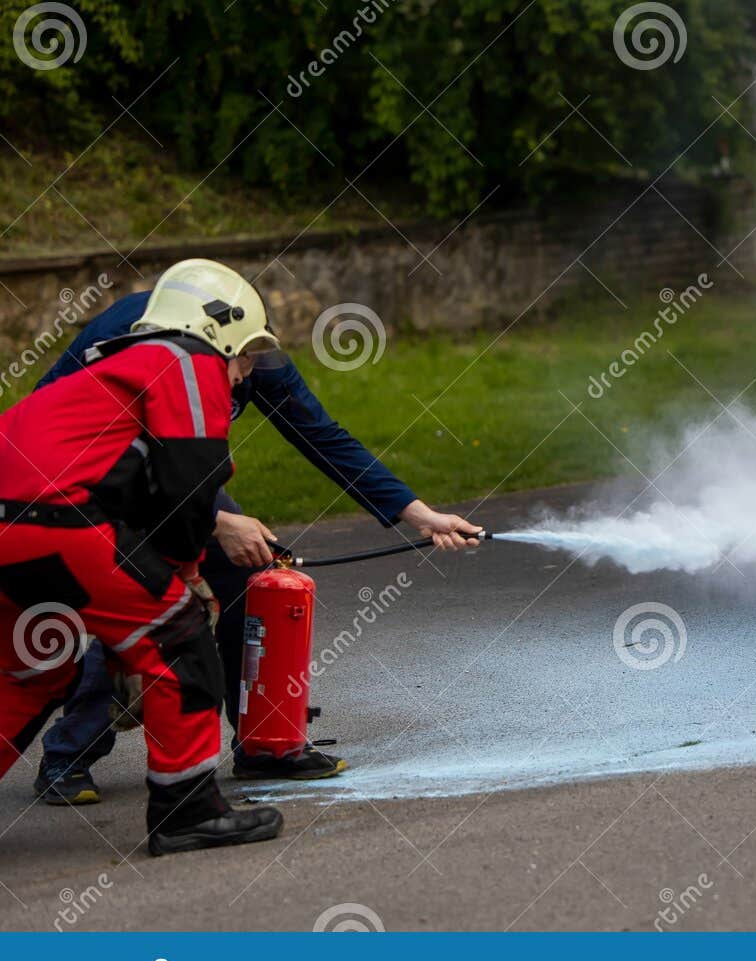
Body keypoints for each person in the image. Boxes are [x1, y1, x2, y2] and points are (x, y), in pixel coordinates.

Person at [30, 260, 481, 806]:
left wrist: (419, 514)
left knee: (251, 571)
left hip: (173, 472)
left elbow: (320, 436)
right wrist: (215, 521)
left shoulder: (251, 355)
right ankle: (69, 756)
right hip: (74, 483)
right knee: (144, 592)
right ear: (207, 338)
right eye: (240, 362)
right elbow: (106, 462)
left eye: (252, 359)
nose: (246, 373)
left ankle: (264, 743)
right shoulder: (132, 341)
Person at [0, 259, 284, 855]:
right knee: (177, 633)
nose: (244, 375)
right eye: (247, 355)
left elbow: (132, 491)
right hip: (53, 523)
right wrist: (185, 580)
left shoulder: (110, 364)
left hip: (20, 523)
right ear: (219, 331)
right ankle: (188, 811)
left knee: (33, 665)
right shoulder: (187, 360)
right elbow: (191, 480)